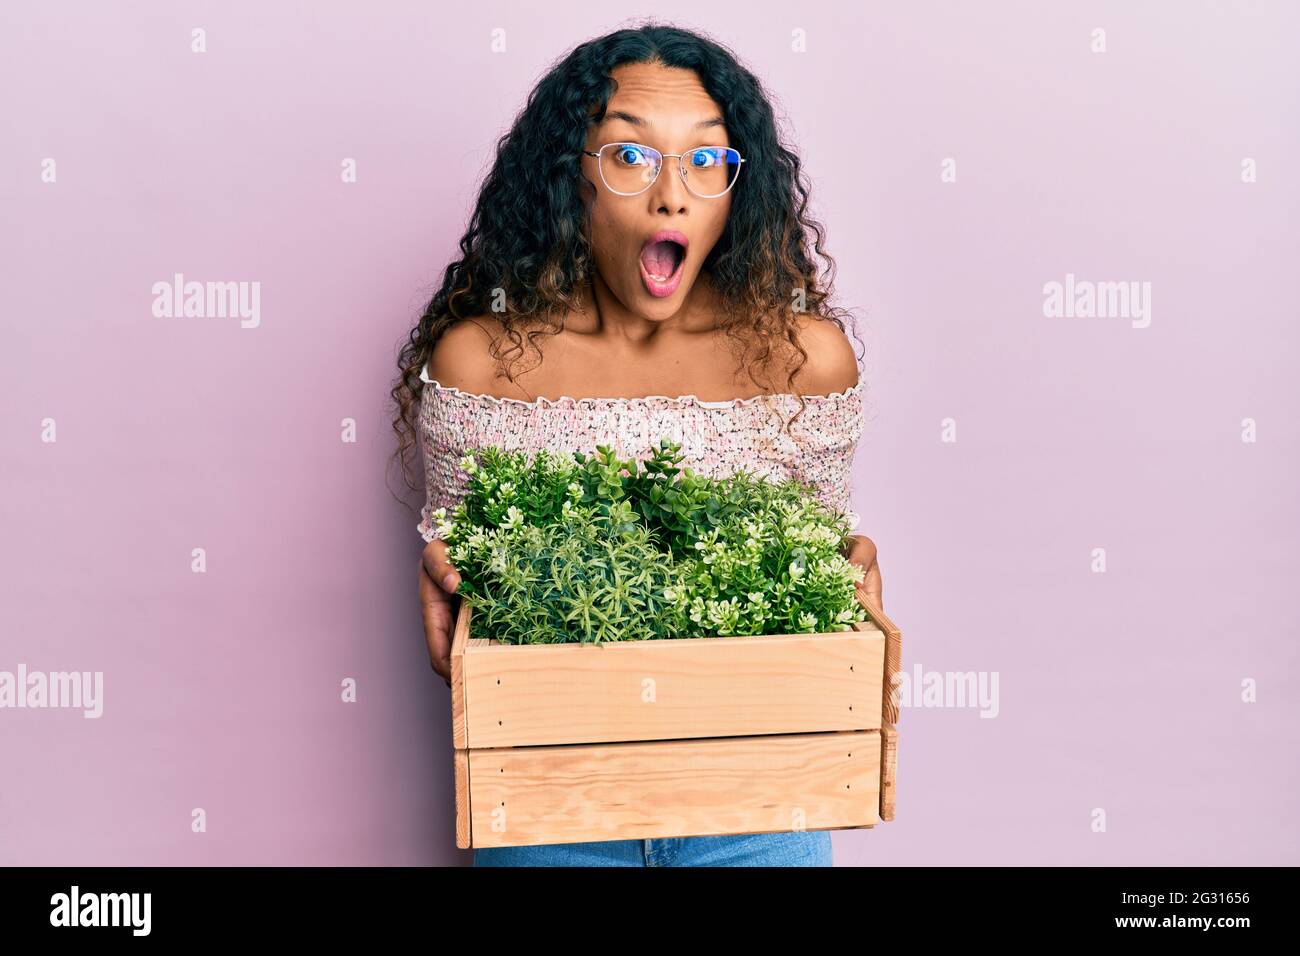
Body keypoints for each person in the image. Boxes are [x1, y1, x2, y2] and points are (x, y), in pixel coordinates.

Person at [389, 22, 884, 866]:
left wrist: (848, 576)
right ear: (568, 181)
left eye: (705, 160)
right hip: (549, 798)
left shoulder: (804, 361)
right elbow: (463, 575)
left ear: (739, 187)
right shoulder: (481, 363)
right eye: (629, 156)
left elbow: (823, 554)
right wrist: (443, 568)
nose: (671, 197)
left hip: (762, 803)